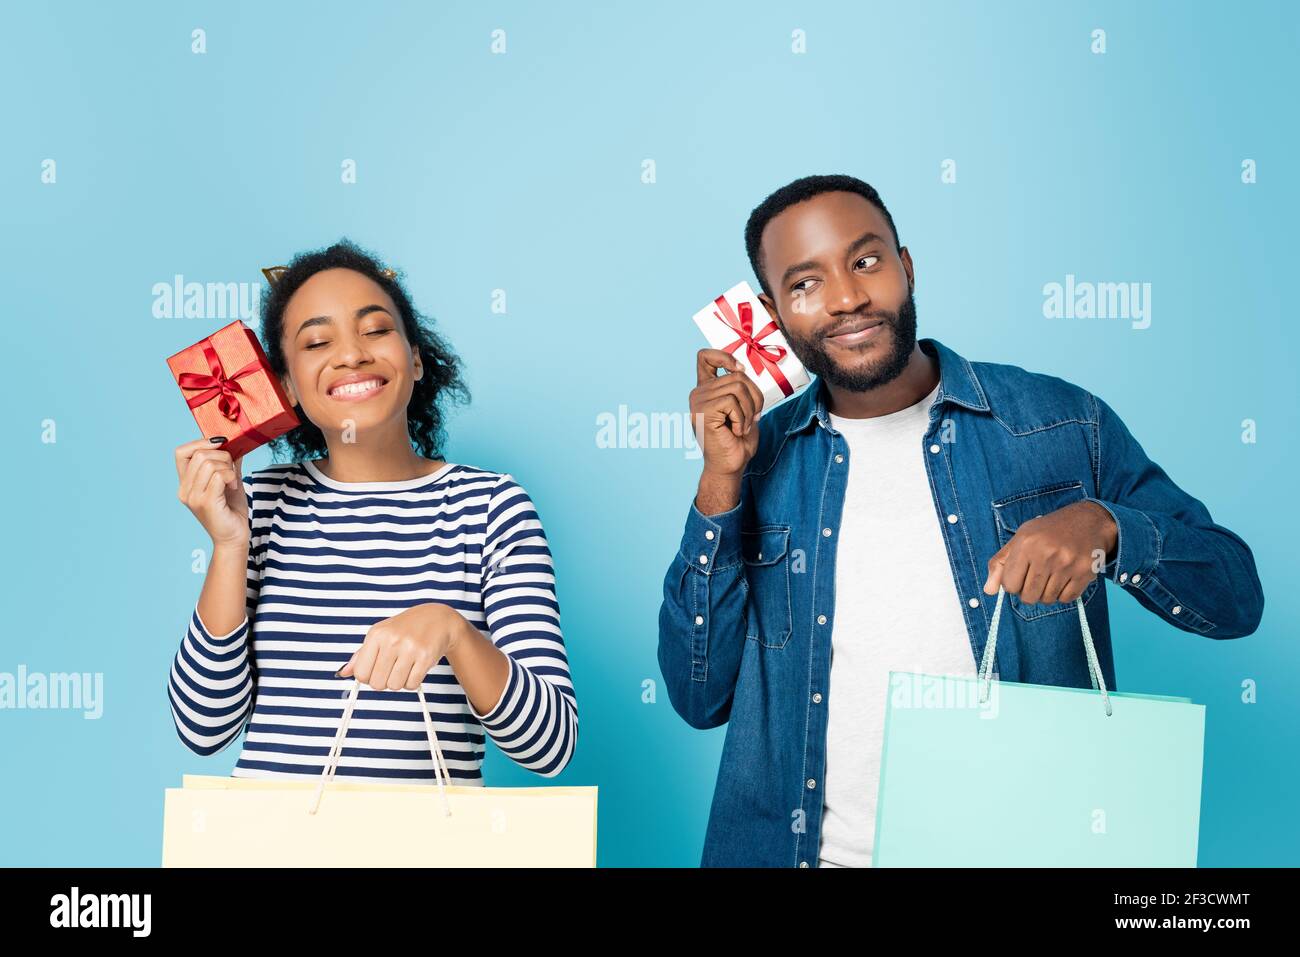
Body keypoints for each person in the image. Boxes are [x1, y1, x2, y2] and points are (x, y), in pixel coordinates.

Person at [657, 174, 1263, 868]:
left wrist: (1108, 528)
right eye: (806, 284)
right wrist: (719, 480)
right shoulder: (753, 467)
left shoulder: (1061, 423)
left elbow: (1235, 594)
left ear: (906, 266)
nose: (848, 297)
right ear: (770, 314)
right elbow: (697, 697)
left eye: (865, 261)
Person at [169, 239, 577, 783]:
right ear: (285, 386)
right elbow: (203, 727)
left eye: (376, 329)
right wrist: (228, 545)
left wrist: (452, 629)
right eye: (317, 341)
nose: (351, 354)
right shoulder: (260, 504)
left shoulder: (492, 507)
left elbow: (549, 747)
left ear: (415, 358)